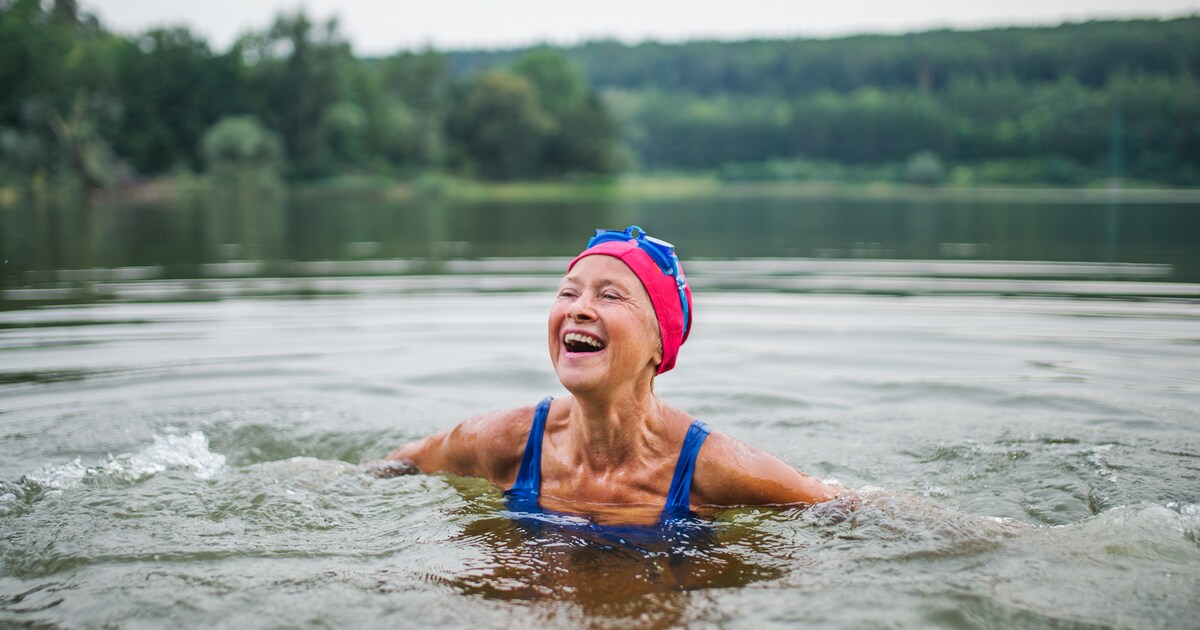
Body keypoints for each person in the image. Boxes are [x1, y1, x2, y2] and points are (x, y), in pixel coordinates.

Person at [374, 226, 842, 526]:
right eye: (568, 293)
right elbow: (402, 464)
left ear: (661, 344)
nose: (579, 308)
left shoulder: (713, 467)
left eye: (610, 297)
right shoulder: (506, 441)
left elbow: (844, 505)